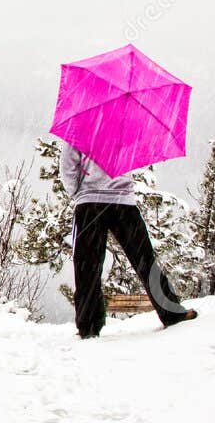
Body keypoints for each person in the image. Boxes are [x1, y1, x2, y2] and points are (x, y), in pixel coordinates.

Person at [59, 142, 197, 339]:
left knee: (88, 267)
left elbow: (67, 166)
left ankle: (89, 326)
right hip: (120, 202)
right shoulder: (127, 126)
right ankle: (170, 312)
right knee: (144, 261)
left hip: (95, 204)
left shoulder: (83, 127)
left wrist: (78, 192)